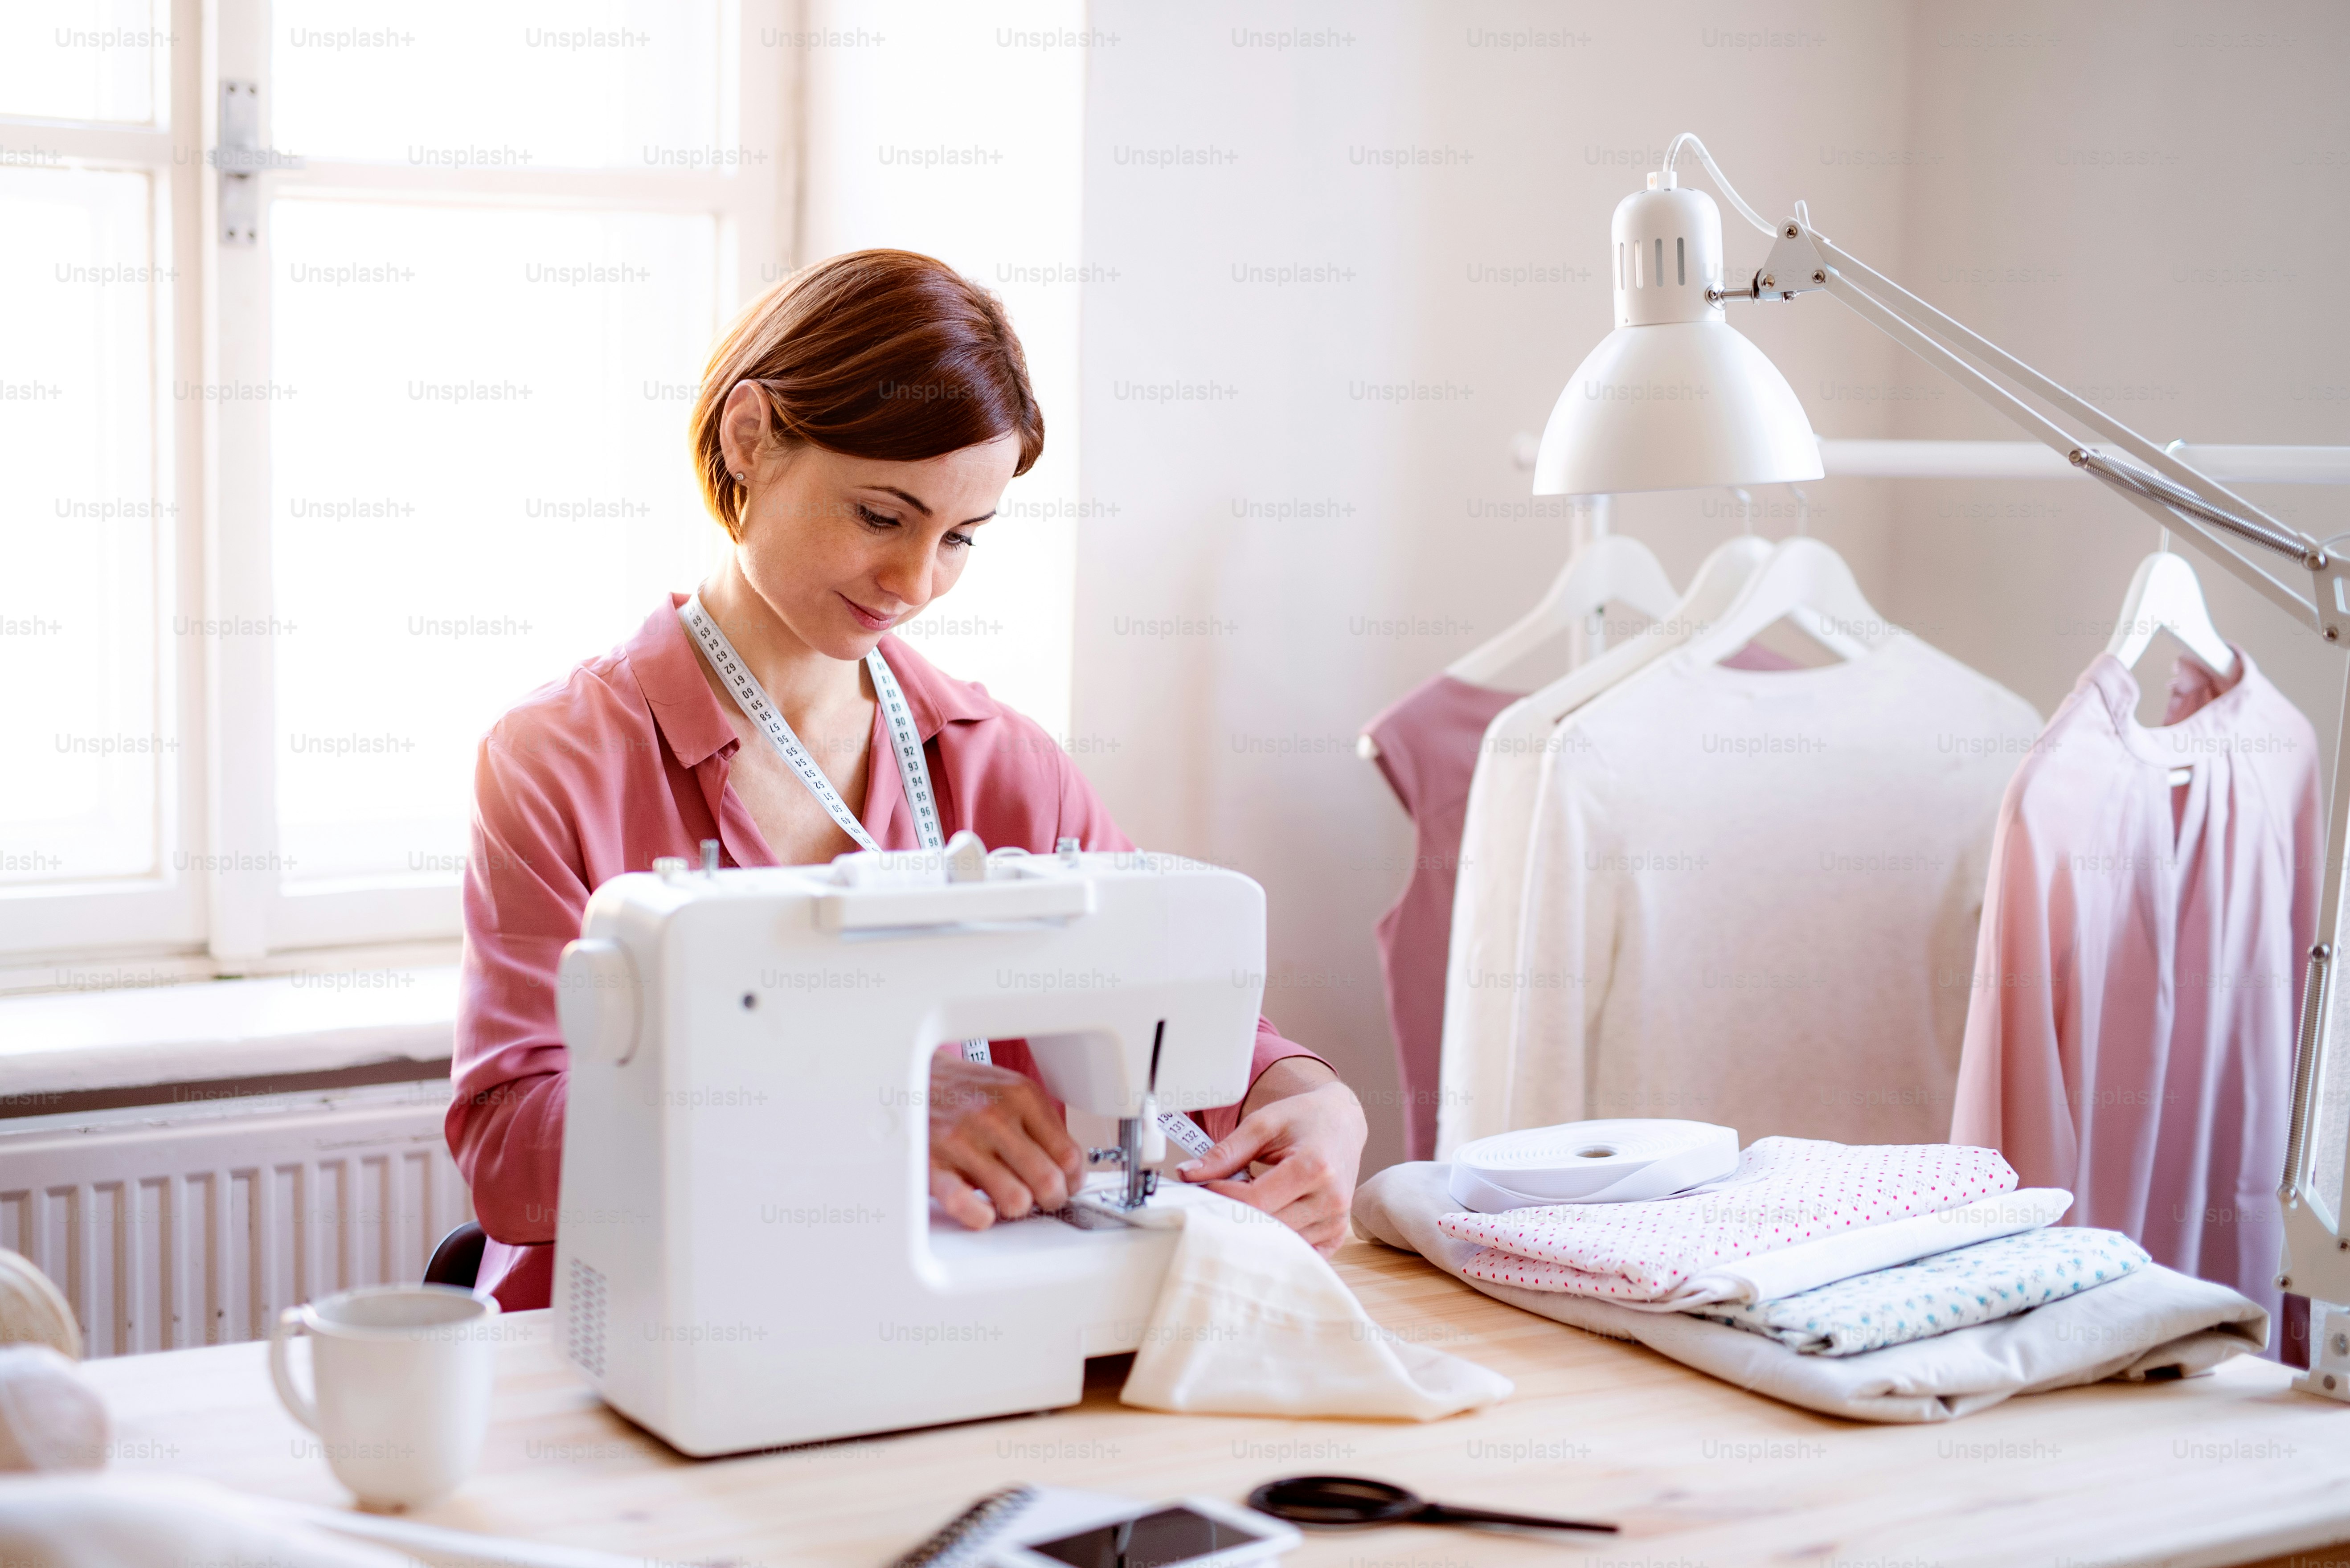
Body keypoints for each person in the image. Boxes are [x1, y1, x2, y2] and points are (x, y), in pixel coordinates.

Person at [448, 249, 1368, 1310]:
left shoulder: (998, 761)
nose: (916, 581)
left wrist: (1314, 1097)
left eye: (961, 537)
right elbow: (513, 1158)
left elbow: (1176, 1005)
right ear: (750, 438)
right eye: (883, 516)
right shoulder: (560, 761)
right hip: (631, 1350)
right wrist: (863, 1096)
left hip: (917, 1329)